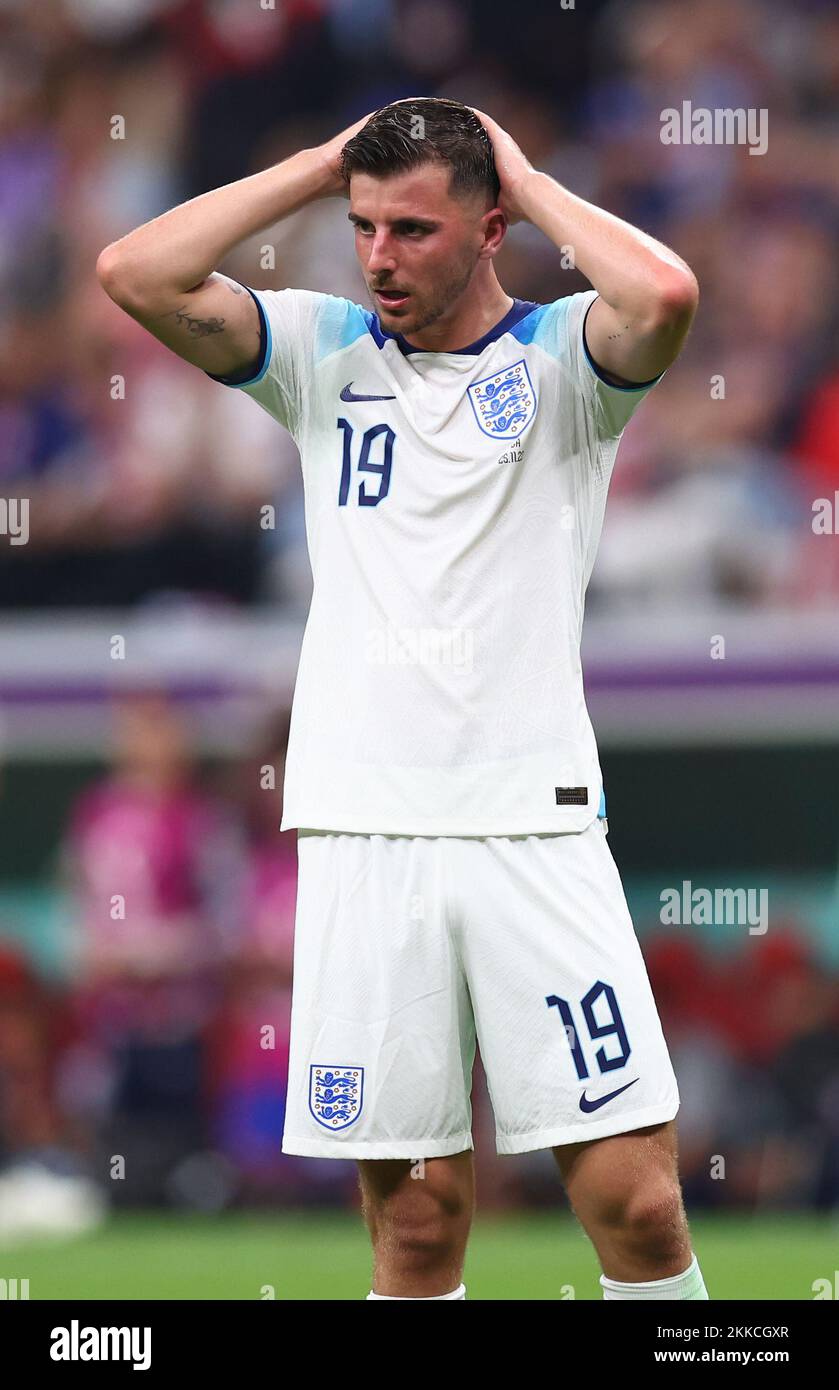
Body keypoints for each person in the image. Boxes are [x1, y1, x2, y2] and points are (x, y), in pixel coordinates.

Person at [97, 96, 706, 1301]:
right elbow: (135, 270)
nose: (379, 256)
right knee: (416, 1228)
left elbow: (665, 297)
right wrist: (323, 163)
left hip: (532, 823)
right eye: (364, 227)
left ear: (488, 230)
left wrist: (523, 176)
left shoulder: (563, 362)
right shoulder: (322, 355)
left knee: (632, 1202)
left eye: (414, 230)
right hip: (365, 827)